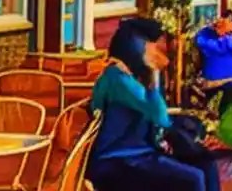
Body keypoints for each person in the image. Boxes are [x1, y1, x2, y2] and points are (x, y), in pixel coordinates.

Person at [87, 18, 221, 191]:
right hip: (118, 161)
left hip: (141, 154)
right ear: (135, 46)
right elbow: (160, 116)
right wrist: (154, 74)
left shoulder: (130, 76)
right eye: (150, 46)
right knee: (193, 179)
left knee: (207, 165)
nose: (155, 51)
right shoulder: (118, 79)